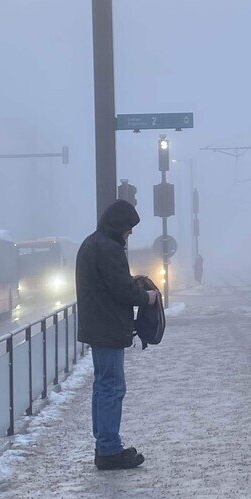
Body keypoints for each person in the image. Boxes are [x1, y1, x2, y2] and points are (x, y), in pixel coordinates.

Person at [76, 200, 158, 470]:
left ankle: (104, 445)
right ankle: (109, 450)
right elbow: (120, 291)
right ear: (119, 225)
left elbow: (108, 284)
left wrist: (129, 282)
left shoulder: (92, 243)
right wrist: (146, 296)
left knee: (103, 386)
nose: (130, 232)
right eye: (129, 227)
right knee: (112, 388)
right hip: (107, 326)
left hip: (98, 326)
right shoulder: (109, 248)